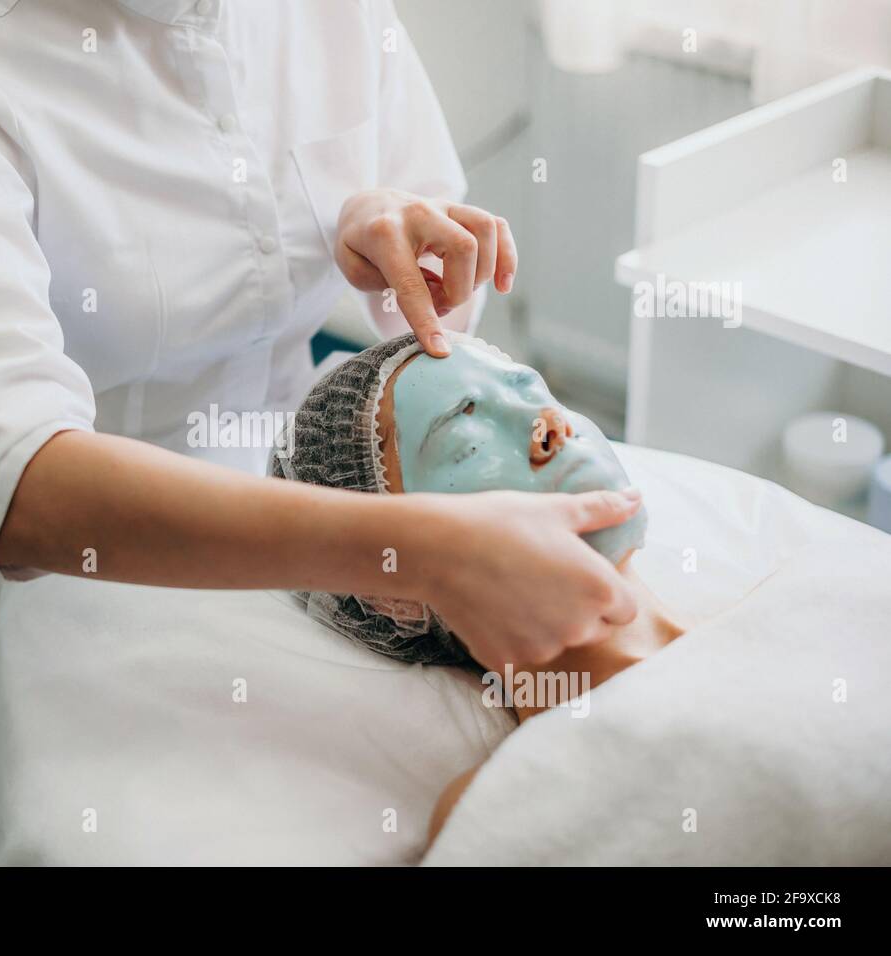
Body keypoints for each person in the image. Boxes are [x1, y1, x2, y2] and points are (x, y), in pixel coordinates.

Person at [0, 0, 642, 758]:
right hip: (66, 575)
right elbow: (16, 495)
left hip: (333, 498)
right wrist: (419, 552)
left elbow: (438, 333)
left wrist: (391, 238)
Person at [269, 330, 688, 842]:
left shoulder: (801, 610)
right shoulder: (510, 809)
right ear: (396, 596)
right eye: (465, 444)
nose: (548, 423)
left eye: (534, 391)